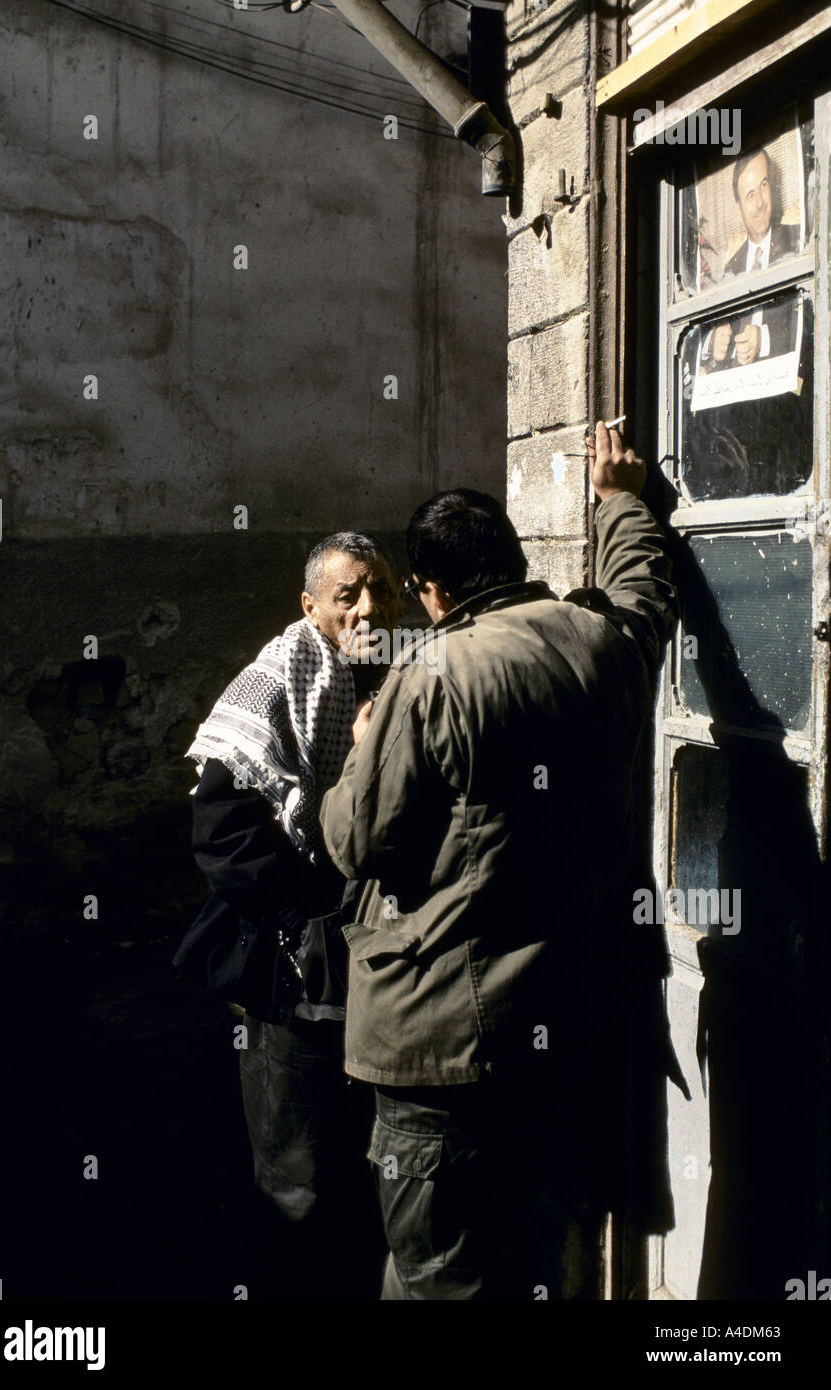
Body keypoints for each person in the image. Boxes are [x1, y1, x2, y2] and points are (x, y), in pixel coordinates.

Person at [320, 424, 679, 1300]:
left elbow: (356, 842)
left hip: (445, 1041)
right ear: (514, 559)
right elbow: (642, 597)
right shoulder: (602, 645)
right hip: (567, 1020)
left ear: (428, 590)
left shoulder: (432, 672)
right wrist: (621, 502)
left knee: (437, 1272)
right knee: (536, 1257)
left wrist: (358, 753)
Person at [175, 530, 399, 1299]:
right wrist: (323, 899)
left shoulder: (401, 669)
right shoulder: (272, 684)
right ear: (310, 606)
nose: (368, 609)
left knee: (374, 1153)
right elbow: (223, 837)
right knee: (294, 1165)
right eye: (348, 596)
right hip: (294, 962)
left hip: (380, 963)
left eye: (381, 591)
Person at [706, 147, 799, 369]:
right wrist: (713, 341)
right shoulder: (731, 266)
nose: (759, 203)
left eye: (763, 186)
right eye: (749, 195)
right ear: (738, 210)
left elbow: (814, 314)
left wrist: (764, 338)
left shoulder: (797, 240)